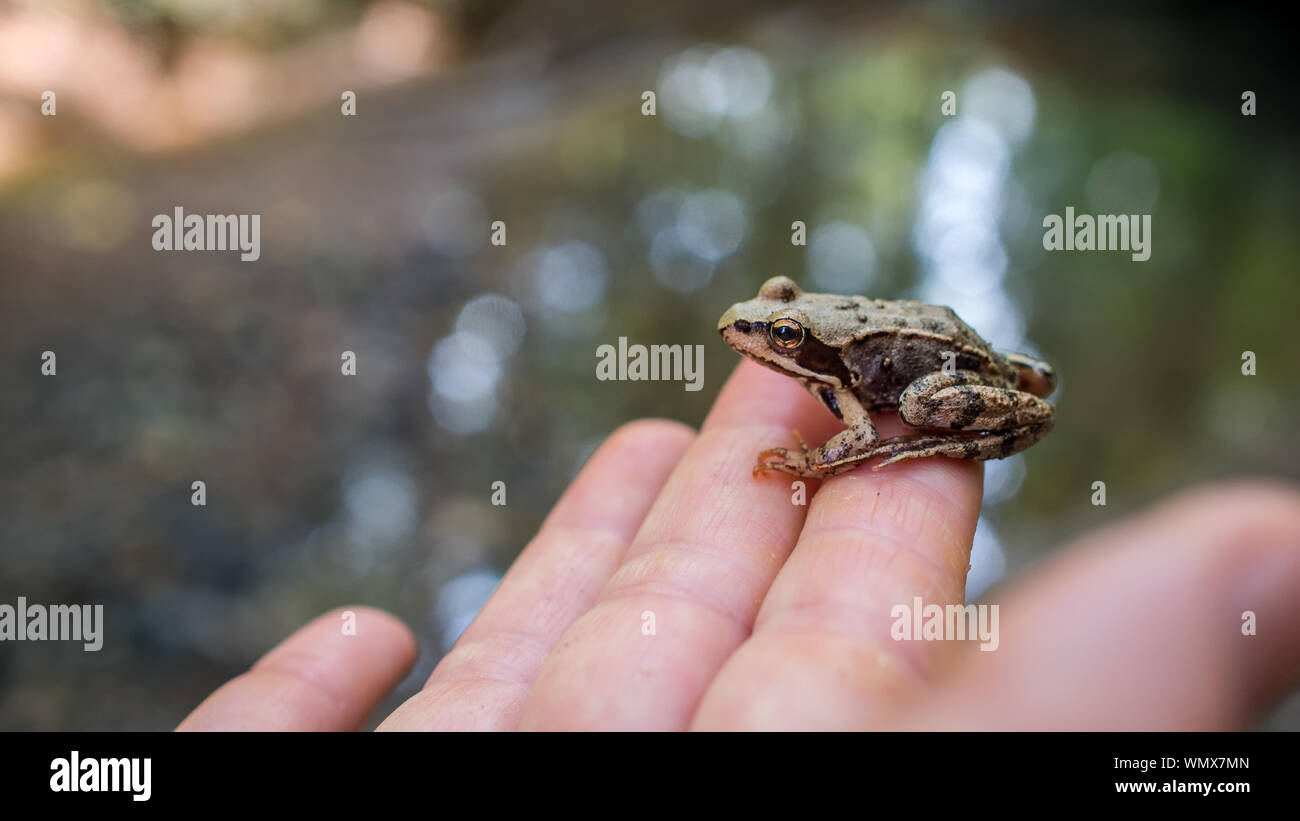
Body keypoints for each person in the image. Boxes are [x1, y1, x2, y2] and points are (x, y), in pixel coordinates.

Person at [179, 361, 1300, 730]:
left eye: (775, 331)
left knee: (913, 430)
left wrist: (820, 466)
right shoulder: (804, 358)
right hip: (948, 352)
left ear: (801, 345)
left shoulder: (844, 371)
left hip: (933, 374)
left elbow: (869, 426)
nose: (755, 341)